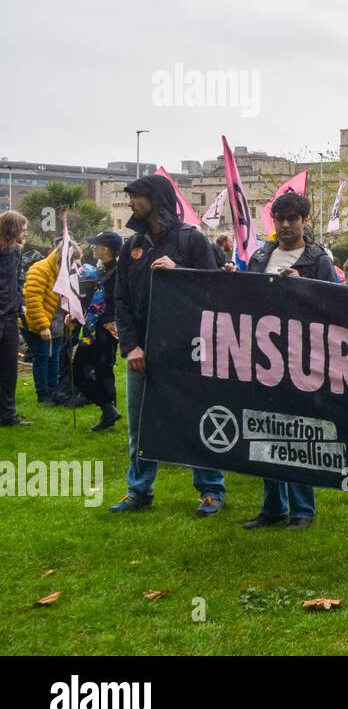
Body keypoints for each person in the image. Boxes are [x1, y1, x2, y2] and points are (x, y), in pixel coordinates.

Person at [108, 174, 225, 516]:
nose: (130, 203)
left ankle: (210, 489)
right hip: (143, 351)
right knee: (141, 425)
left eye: (135, 197)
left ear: (155, 198)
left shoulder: (192, 240)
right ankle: (139, 490)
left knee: (196, 419)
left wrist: (179, 271)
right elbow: (122, 299)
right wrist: (130, 346)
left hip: (188, 349)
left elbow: (215, 289)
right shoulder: (131, 247)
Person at [240, 193, 339, 531]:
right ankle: (272, 505)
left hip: (301, 354)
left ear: (304, 221)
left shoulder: (318, 259)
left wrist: (304, 288)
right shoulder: (260, 255)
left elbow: (334, 302)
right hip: (262, 353)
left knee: (297, 430)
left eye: (292, 218)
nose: (285, 225)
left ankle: (302, 508)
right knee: (264, 427)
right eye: (280, 218)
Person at [73, 231, 122, 432]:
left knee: (82, 371)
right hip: (100, 329)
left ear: (106, 249)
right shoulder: (104, 271)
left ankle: (108, 410)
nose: (93, 248)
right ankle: (109, 411)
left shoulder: (117, 273)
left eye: (96, 245)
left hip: (102, 330)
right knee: (102, 371)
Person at [20, 242, 71, 405]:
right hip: (36, 322)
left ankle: (53, 390)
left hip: (56, 321)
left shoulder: (63, 272)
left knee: (54, 357)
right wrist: (43, 326)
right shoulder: (39, 269)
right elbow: (33, 300)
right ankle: (42, 394)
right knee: (42, 356)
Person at [0, 212, 28, 426]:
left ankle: (7, 414)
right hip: (4, 314)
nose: (25, 232)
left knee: (9, 369)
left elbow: (18, 282)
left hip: (10, 318)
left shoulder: (16, 252)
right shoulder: (6, 253)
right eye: (22, 227)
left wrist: (19, 305)